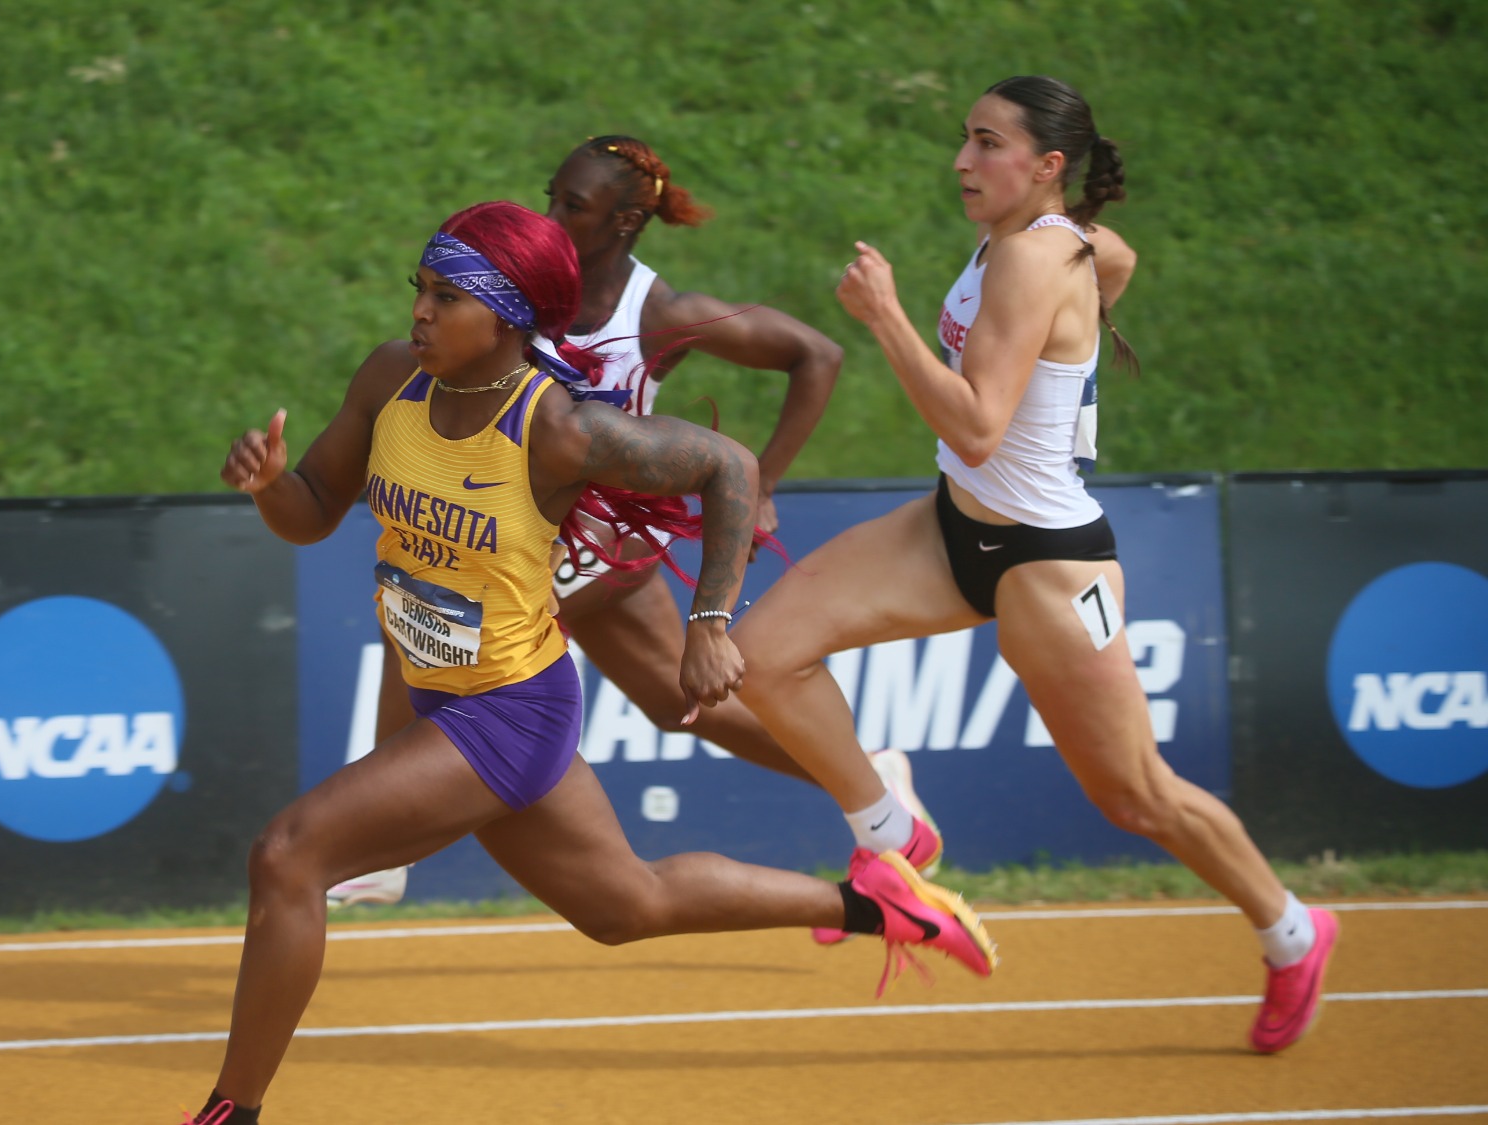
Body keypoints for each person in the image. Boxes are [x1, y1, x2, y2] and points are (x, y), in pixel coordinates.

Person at [185, 201, 997, 1125]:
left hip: (506, 717)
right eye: (418, 288)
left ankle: (228, 1114)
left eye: (443, 296)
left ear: (504, 315)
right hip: (449, 697)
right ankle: (882, 907)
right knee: (627, 903)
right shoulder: (389, 380)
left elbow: (727, 466)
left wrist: (710, 623)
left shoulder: (558, 429)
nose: (418, 311)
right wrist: (266, 486)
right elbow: (312, 509)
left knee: (289, 856)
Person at [730, 76, 1337, 1054]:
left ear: (1046, 166)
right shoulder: (1045, 243)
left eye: (985, 143)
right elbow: (1113, 259)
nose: (962, 161)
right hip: (949, 532)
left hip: (1049, 565)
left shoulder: (1032, 256)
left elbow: (974, 428)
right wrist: (1076, 314)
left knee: (1136, 794)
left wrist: (882, 315)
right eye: (962, 140)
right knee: (760, 656)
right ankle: (893, 839)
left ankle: (1293, 933)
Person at [328, 136, 943, 912]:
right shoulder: (515, 290)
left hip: (597, 536)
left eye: (572, 207)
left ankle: (383, 853)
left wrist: (765, 486)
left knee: (425, 610)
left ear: (623, 223)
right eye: (549, 195)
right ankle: (871, 782)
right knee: (673, 704)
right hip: (528, 524)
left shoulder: (657, 313)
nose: (550, 216)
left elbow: (814, 355)